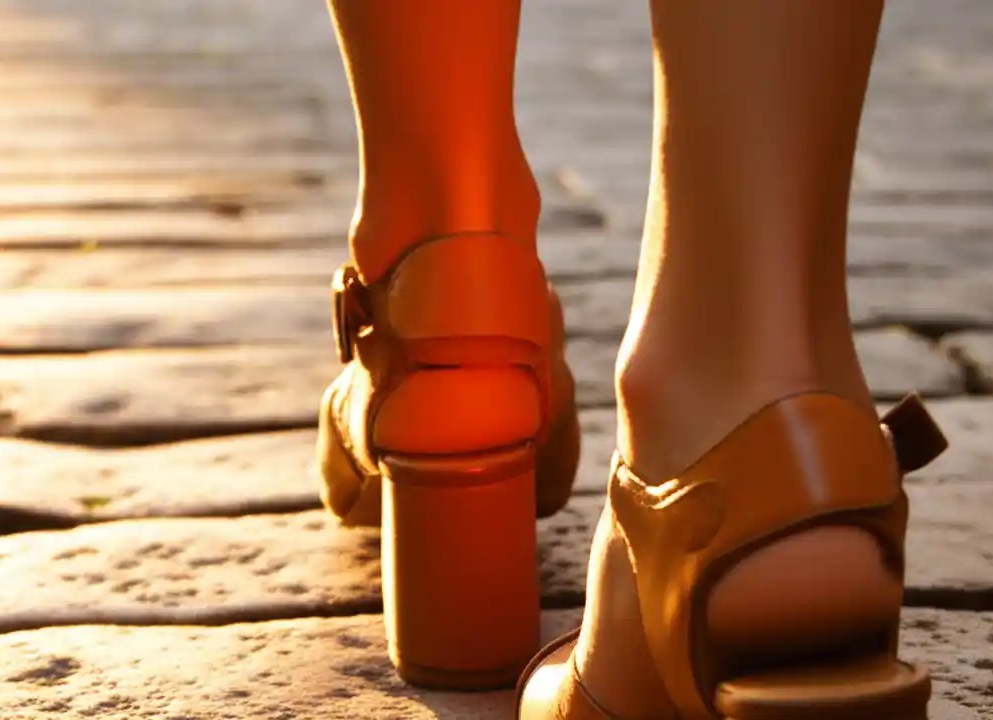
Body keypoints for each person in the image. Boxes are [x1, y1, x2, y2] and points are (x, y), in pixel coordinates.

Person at [313, 1, 950, 717]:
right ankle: (749, 399)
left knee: (442, 212)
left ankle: (439, 275)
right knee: (756, 350)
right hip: (832, 482)